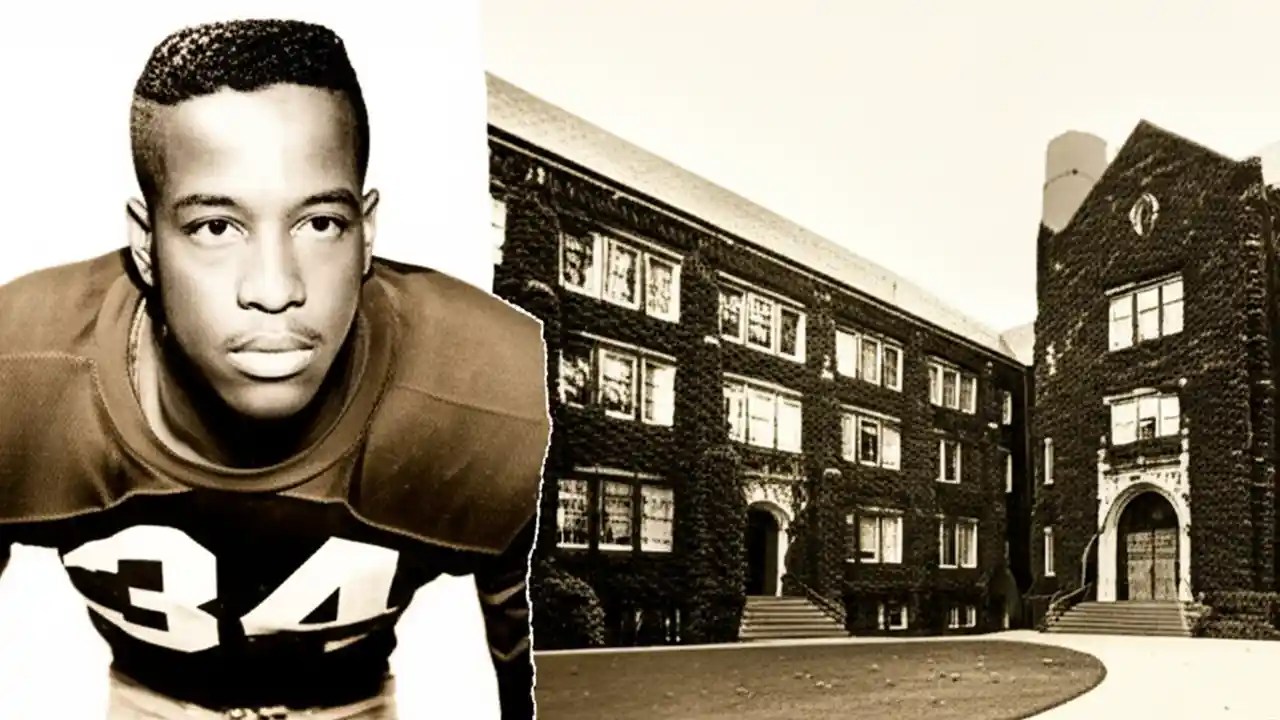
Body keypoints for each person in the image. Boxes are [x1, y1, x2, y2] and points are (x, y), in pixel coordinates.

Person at [0, 18, 548, 720]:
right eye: (216, 227)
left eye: (318, 223)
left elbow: (516, 643)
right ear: (146, 245)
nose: (274, 286)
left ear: (366, 233)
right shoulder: (24, 374)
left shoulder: (483, 388)